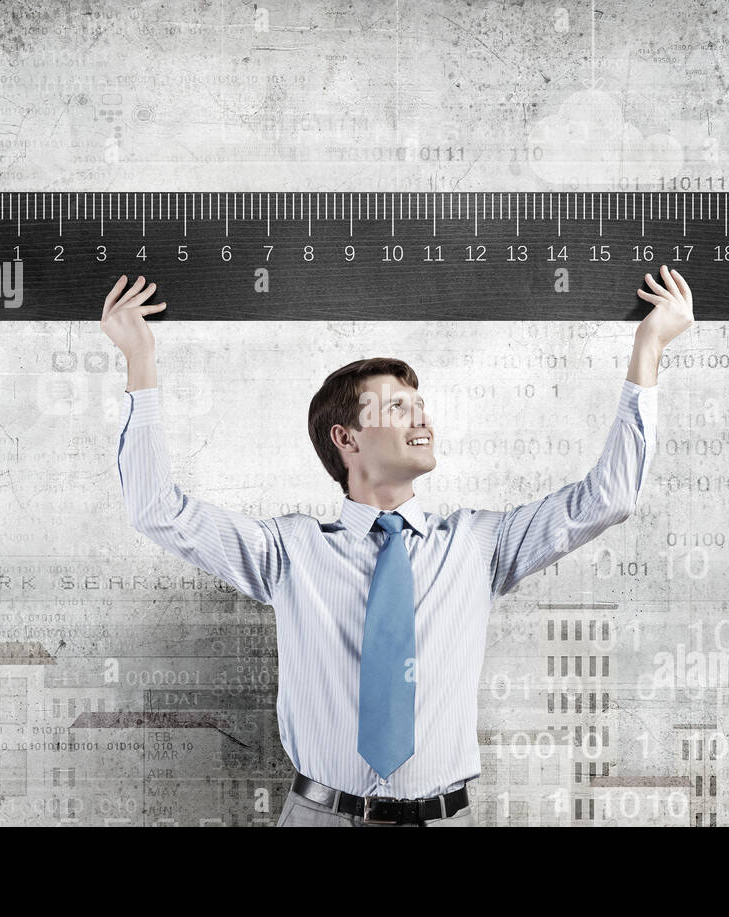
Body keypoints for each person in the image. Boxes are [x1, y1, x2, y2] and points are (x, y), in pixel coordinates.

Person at [100, 265, 694, 826]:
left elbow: (608, 497)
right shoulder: (289, 553)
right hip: (321, 816)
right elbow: (158, 509)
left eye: (422, 405)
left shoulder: (479, 544)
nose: (423, 419)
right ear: (346, 438)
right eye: (398, 406)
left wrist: (649, 351)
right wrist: (140, 360)